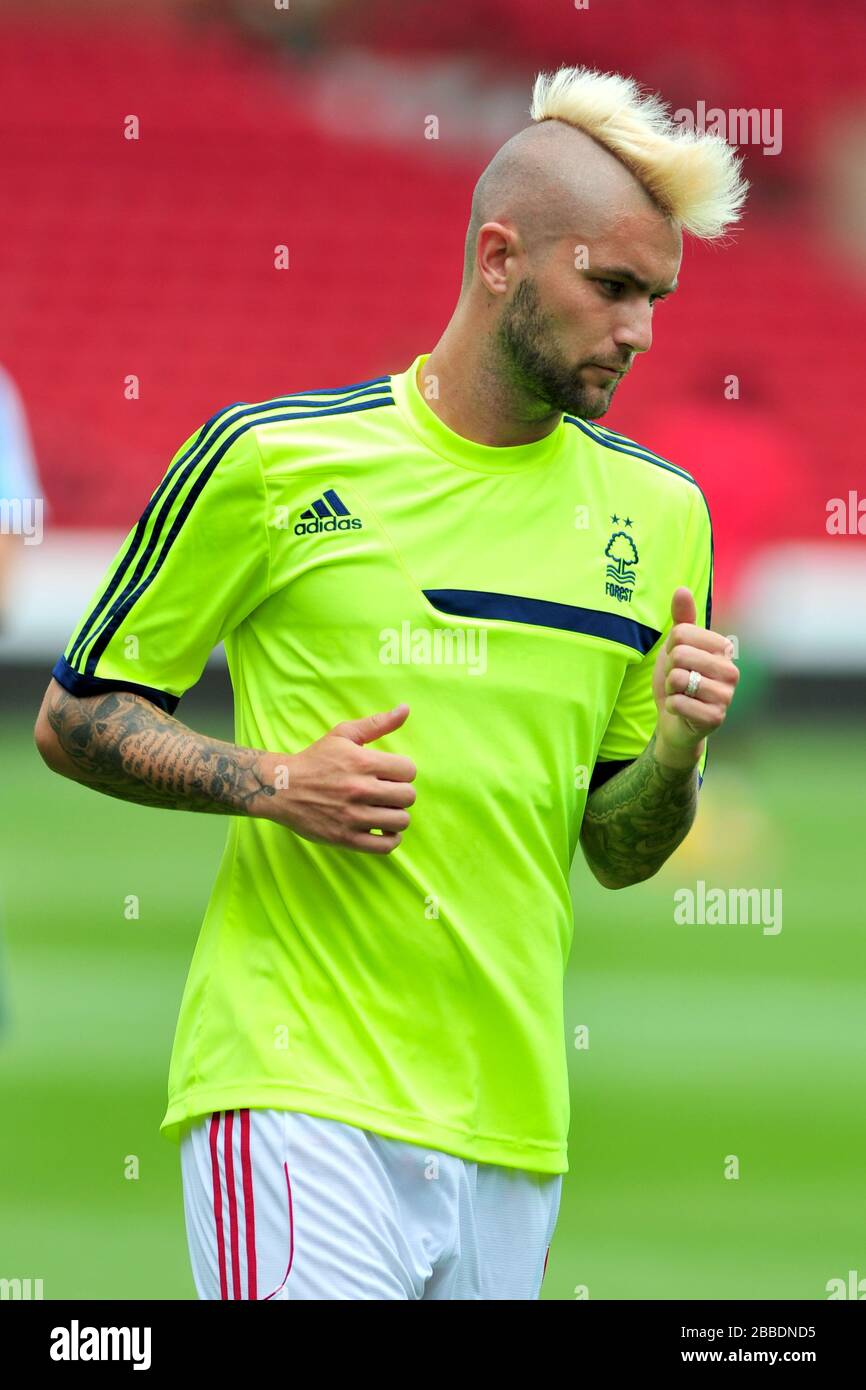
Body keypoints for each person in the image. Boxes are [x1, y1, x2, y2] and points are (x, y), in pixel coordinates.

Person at [34, 65, 743, 1300]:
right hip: (292, 1089)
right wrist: (271, 781)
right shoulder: (269, 462)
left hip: (511, 1126)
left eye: (655, 296)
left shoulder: (662, 514)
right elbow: (75, 712)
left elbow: (618, 849)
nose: (637, 330)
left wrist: (678, 755)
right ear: (498, 257)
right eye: (611, 285)